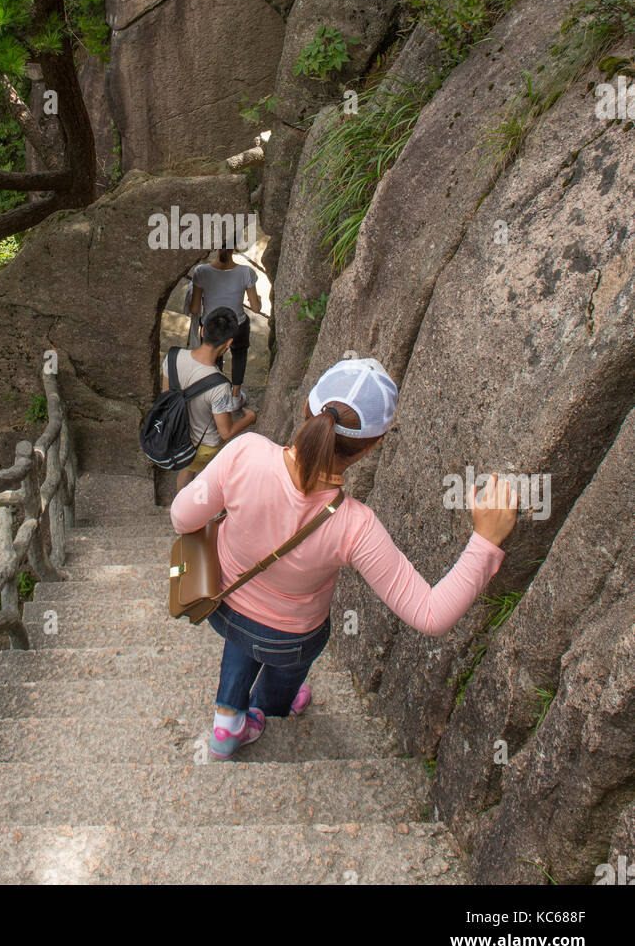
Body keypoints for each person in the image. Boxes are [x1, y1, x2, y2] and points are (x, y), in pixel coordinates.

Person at [170, 357, 519, 760]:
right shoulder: (356, 526)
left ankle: (227, 720)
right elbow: (431, 614)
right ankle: (262, 714)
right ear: (372, 446)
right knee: (285, 673)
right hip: (291, 637)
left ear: (307, 409)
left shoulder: (244, 453)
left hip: (225, 601)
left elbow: (182, 516)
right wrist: (485, 540)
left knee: (242, 642)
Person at [161, 306, 256, 491]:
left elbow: (166, 398)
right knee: (208, 478)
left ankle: (180, 505)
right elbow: (226, 432)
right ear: (228, 343)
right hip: (202, 447)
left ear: (203, 330)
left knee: (187, 470)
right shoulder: (220, 386)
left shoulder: (172, 357)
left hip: (175, 435)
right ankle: (203, 512)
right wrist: (249, 418)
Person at [189, 248, 261, 406]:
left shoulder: (201, 271)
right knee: (239, 355)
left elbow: (194, 309)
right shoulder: (246, 272)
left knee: (213, 358)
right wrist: (259, 300)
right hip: (238, 324)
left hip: (211, 324)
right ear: (235, 247)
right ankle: (235, 396)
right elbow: (256, 308)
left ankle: (215, 394)